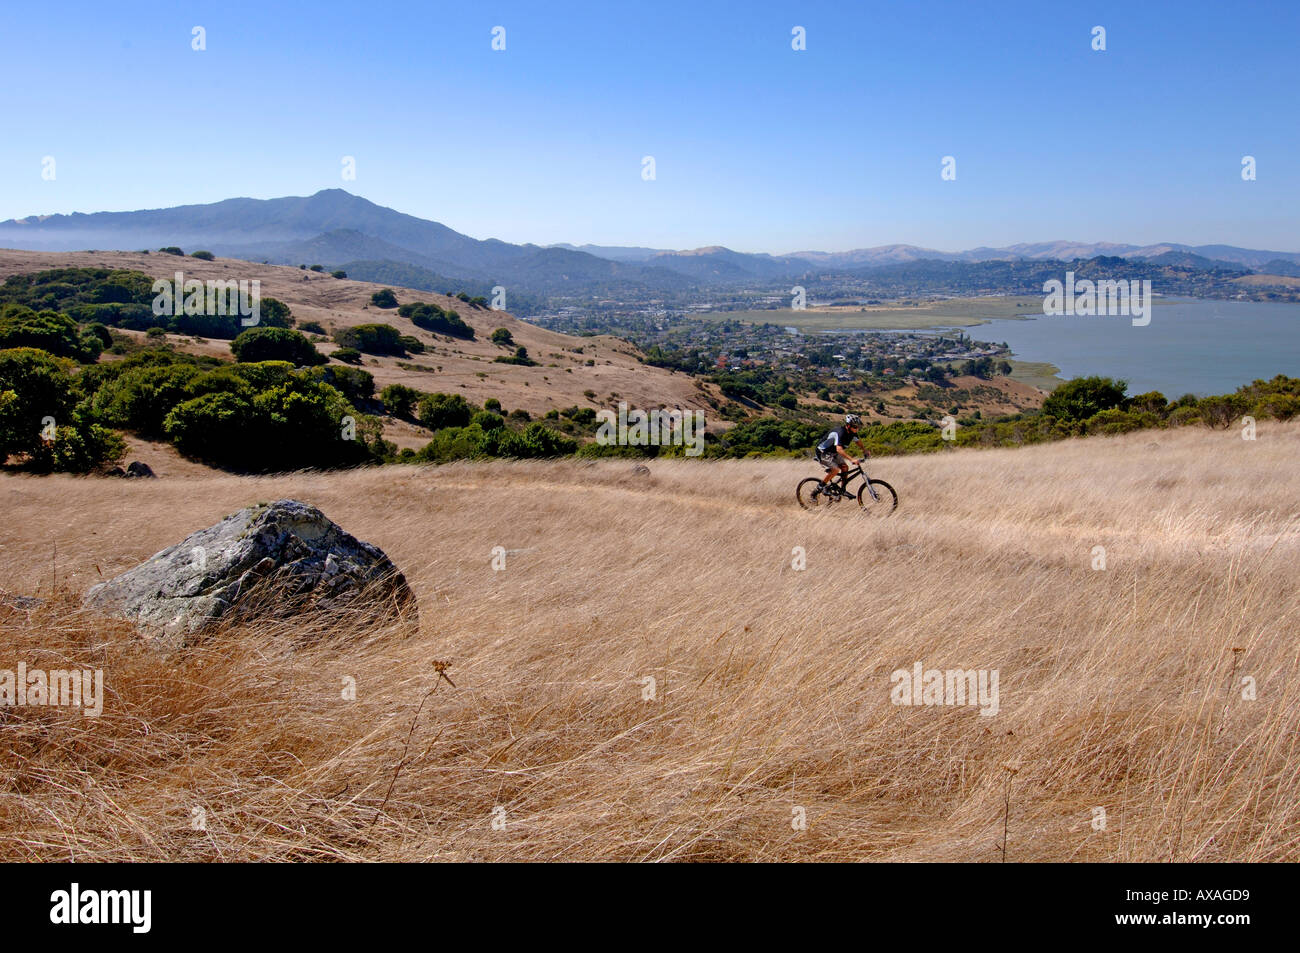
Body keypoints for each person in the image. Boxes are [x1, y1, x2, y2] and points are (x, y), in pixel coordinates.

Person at [813, 414, 865, 497]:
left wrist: (865, 451)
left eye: (858, 427)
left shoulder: (852, 433)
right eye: (855, 427)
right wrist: (852, 459)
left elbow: (858, 442)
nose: (857, 429)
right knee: (835, 469)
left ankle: (842, 490)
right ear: (848, 425)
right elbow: (839, 449)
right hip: (823, 452)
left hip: (833, 452)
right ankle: (821, 486)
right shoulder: (840, 433)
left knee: (845, 467)